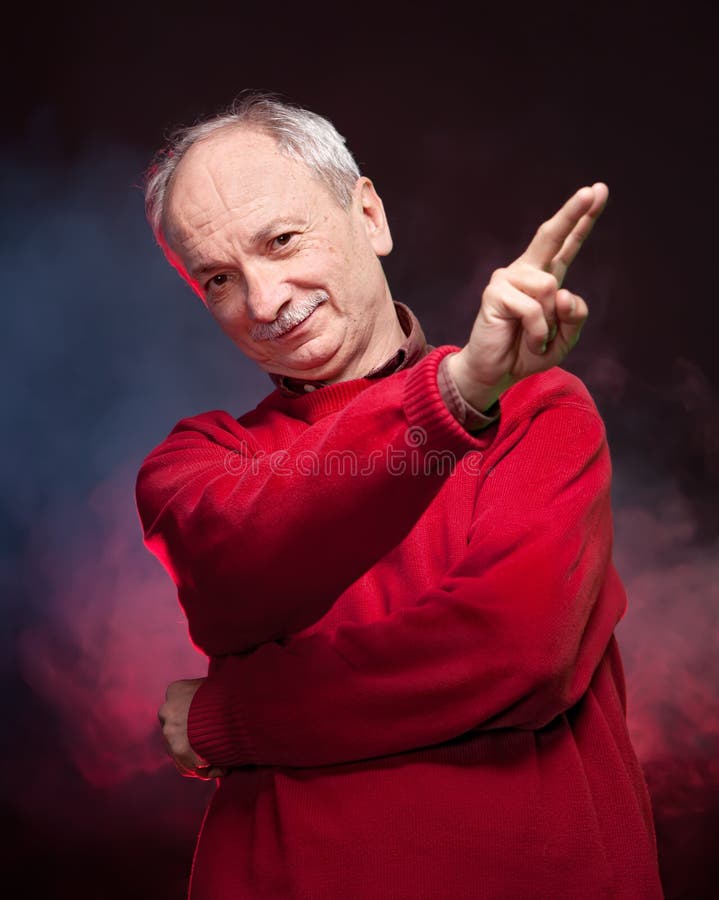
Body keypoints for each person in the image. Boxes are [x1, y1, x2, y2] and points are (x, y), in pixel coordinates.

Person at [135, 93, 663, 899]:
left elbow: (512, 655)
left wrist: (232, 718)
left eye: (281, 241)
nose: (266, 301)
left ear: (369, 216)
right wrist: (449, 400)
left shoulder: (534, 406)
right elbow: (243, 567)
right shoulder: (200, 461)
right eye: (218, 278)